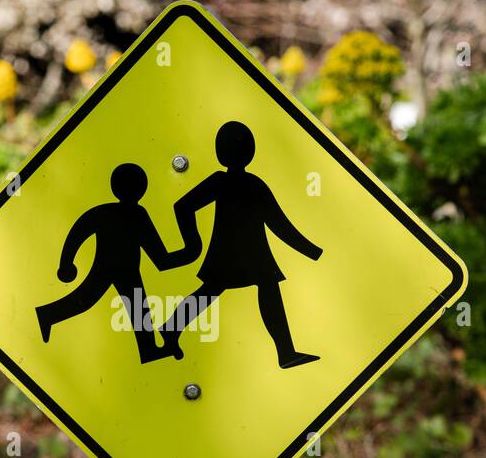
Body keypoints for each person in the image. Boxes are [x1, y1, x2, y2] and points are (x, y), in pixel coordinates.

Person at [159, 120, 322, 368]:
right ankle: (286, 353)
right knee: (218, 291)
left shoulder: (234, 183)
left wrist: (193, 244)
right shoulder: (249, 184)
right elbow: (279, 225)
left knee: (223, 290)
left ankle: (286, 353)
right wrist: (312, 252)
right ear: (250, 151)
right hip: (241, 253)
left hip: (243, 253)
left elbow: (278, 223)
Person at [36, 162, 188, 363]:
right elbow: (160, 258)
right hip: (113, 268)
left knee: (130, 308)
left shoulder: (109, 211)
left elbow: (79, 231)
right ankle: (47, 315)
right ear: (142, 188)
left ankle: (149, 349)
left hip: (122, 269)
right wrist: (189, 253)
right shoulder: (136, 214)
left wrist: (66, 263)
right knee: (91, 301)